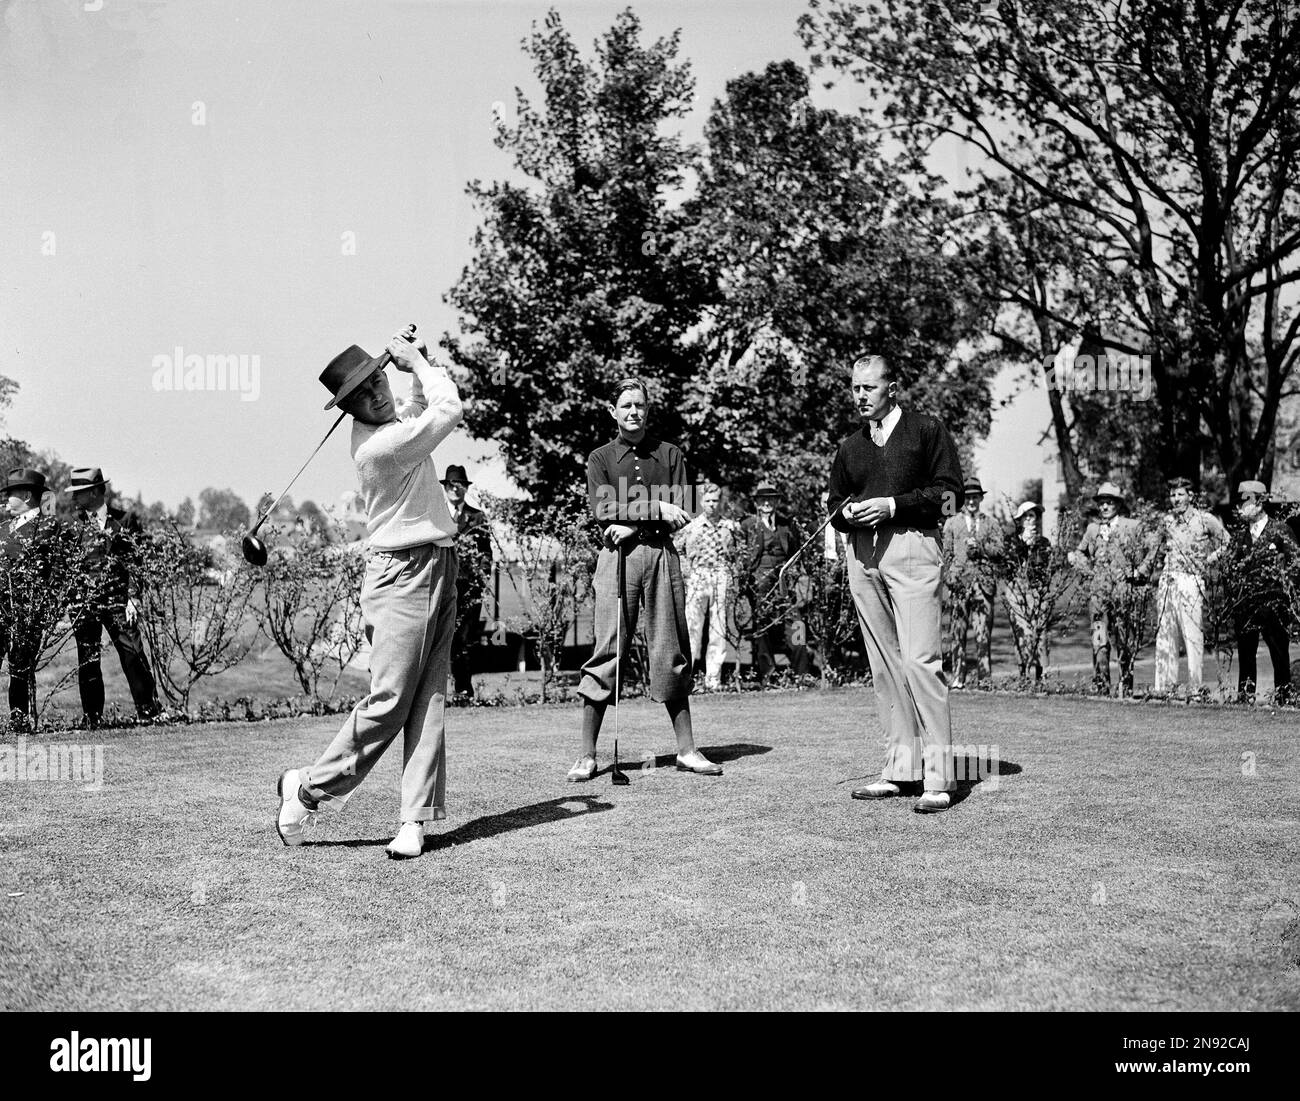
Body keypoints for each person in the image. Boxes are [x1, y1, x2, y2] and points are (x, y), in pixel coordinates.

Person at [276, 327, 463, 859]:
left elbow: (419, 406)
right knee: (389, 702)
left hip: (437, 563)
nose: (379, 394)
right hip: (401, 575)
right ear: (349, 408)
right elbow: (447, 409)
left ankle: (414, 820)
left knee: (429, 699)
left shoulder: (392, 424)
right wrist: (420, 367)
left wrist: (414, 365)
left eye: (380, 380)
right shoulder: (381, 446)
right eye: (364, 394)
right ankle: (308, 789)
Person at [827, 353, 964, 813]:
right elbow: (834, 505)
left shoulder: (927, 430)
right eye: (854, 387)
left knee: (921, 660)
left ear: (893, 386)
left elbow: (950, 498)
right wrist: (845, 516)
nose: (860, 395)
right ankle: (900, 770)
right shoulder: (849, 447)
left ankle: (939, 778)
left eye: (869, 387)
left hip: (914, 548)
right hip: (863, 557)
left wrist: (893, 506)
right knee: (885, 666)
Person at [568, 376, 721, 781]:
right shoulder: (600, 458)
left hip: (660, 558)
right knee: (605, 652)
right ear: (612, 412)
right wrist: (655, 507)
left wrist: (634, 524)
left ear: (648, 410)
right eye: (626, 405)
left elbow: (684, 508)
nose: (633, 412)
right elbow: (602, 509)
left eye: (640, 405)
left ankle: (687, 750)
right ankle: (587, 755)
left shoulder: (670, 454)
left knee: (671, 650)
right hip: (615, 560)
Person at [67, 467, 162, 727]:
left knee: (132, 652)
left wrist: (134, 596)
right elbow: (66, 565)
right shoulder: (72, 526)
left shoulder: (126, 520)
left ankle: (149, 711)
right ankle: (93, 718)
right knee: (88, 659)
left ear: (96, 492)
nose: (75, 498)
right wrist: (71, 600)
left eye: (80, 492)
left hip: (119, 601)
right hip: (84, 603)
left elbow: (137, 560)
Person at [1068, 482, 1157, 695]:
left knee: (1125, 640)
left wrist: (1139, 571)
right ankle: (1102, 686)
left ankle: (1125, 686)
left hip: (1123, 592)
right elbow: (1080, 553)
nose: (1105, 507)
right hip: (1098, 595)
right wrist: (1083, 566)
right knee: (1099, 639)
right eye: (1102, 503)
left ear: (1117, 504)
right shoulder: (1092, 529)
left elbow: (1153, 546)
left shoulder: (1132, 526)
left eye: (1109, 502)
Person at [0, 469, 67, 731]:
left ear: (27, 495)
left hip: (27, 610)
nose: (5, 500)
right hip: (1, 608)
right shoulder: (3, 528)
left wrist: (50, 608)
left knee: (19, 667)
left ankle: (19, 720)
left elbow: (56, 570)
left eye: (11, 494)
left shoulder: (47, 527)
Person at [1153, 477, 1228, 695]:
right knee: (1165, 635)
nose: (1175, 499)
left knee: (1192, 635)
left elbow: (1227, 542)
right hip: (1168, 580)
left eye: (1180, 494)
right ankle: (1164, 688)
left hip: (1191, 580)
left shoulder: (1205, 519)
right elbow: (1155, 548)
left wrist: (1210, 559)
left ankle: (1195, 689)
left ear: (1190, 496)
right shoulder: (1167, 521)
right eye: (1173, 495)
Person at [1225, 480, 1297, 704]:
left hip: (1274, 604)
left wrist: (1287, 591)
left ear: (1260, 504)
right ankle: (1245, 698)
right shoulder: (1239, 537)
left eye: (1245, 502)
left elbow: (1295, 563)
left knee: (1279, 653)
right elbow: (1230, 568)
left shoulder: (1279, 529)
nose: (1240, 508)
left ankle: (1284, 697)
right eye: (1239, 504)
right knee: (1246, 654)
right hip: (1246, 605)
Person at [741, 483, 812, 683]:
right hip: (760, 581)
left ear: (777, 501)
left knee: (797, 624)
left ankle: (802, 674)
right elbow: (742, 557)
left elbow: (797, 554)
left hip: (784, 582)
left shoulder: (786, 524)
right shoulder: (748, 525)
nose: (767, 503)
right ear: (756, 503)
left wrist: (794, 576)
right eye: (763, 500)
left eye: (771, 499)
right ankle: (767, 675)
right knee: (762, 626)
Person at [674, 482, 739, 691]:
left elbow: (737, 554)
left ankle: (713, 678)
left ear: (720, 502)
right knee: (692, 627)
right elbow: (678, 550)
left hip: (720, 575)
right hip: (698, 575)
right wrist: (688, 573)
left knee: (718, 628)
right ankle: (688, 678)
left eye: (715, 501)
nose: (712, 505)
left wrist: (731, 573)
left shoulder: (728, 527)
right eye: (708, 501)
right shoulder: (691, 526)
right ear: (702, 502)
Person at [941, 477, 1003, 688]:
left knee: (983, 633)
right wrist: (949, 579)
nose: (971, 501)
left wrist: (982, 546)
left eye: (975, 497)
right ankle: (958, 677)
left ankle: (984, 678)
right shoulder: (952, 522)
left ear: (980, 498)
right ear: (962, 499)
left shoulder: (991, 523)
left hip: (983, 583)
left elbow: (1000, 551)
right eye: (968, 497)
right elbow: (945, 554)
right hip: (959, 584)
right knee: (957, 632)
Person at [441, 465, 492, 699]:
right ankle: (436, 692)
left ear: (466, 488)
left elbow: (486, 555)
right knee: (441, 639)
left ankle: (463, 689)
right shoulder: (436, 515)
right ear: (445, 487)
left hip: (469, 589)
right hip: (442, 587)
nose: (455, 489)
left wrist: (480, 583)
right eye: (451, 485)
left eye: (460, 485)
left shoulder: (478, 517)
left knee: (464, 638)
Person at [1003, 501, 1053, 684]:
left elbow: (1043, 569)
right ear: (1020, 520)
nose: (1031, 520)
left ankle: (1041, 678)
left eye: (1033, 516)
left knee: (1040, 634)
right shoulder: (1011, 541)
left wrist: (1033, 547)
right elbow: (1008, 566)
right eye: (1027, 516)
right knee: (1021, 634)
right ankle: (1023, 675)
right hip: (1017, 592)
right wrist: (1023, 545)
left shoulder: (1044, 543)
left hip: (1037, 592)